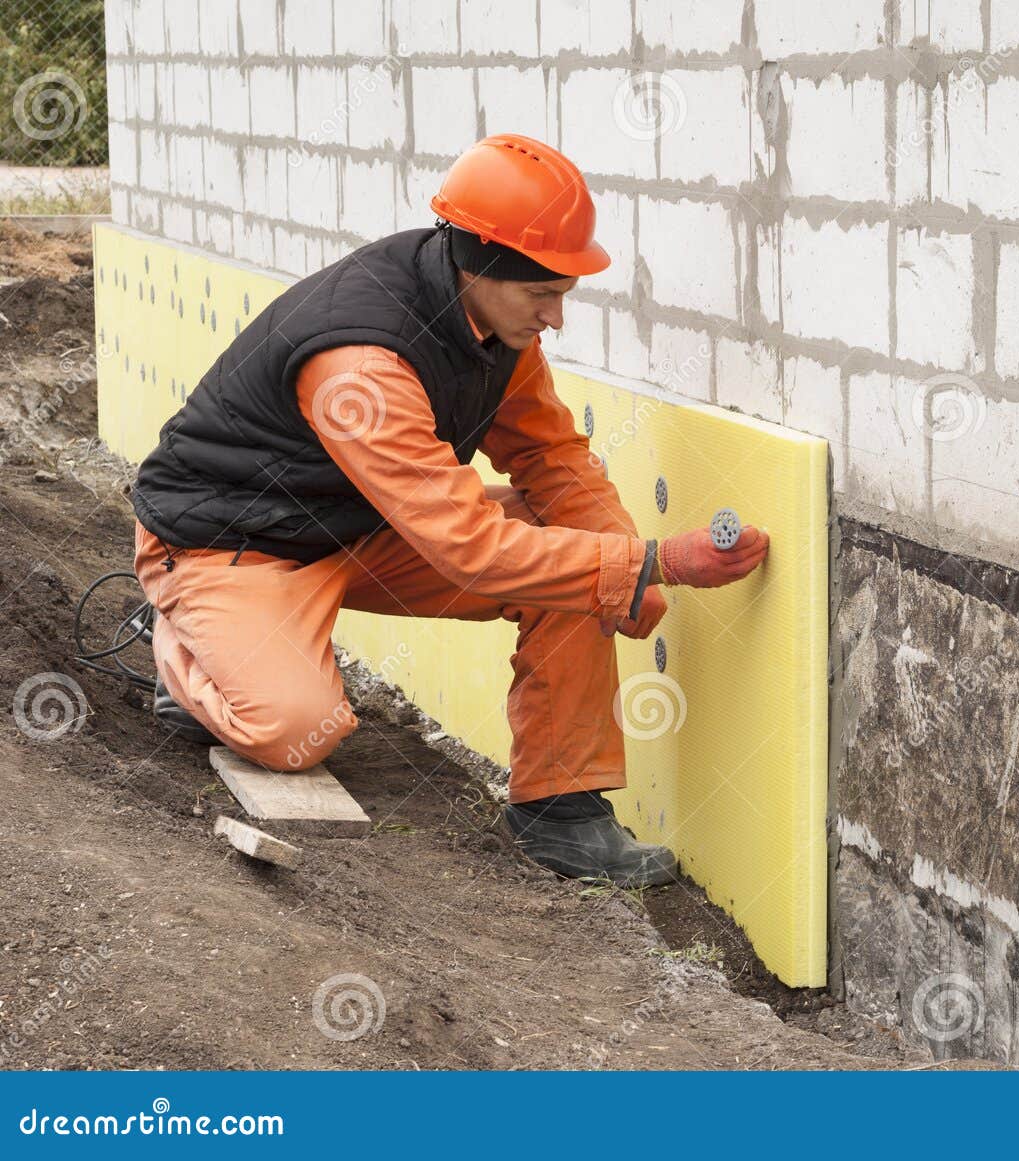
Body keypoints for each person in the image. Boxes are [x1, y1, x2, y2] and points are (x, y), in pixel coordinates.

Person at [128, 134, 769, 887]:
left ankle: (560, 807)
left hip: (361, 525)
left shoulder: (493, 322)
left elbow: (552, 459)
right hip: (232, 543)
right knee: (297, 731)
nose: (557, 317)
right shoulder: (363, 364)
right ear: (483, 265)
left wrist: (622, 557)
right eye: (544, 294)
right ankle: (188, 651)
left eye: (563, 291)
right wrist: (657, 561)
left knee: (575, 552)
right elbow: (469, 548)